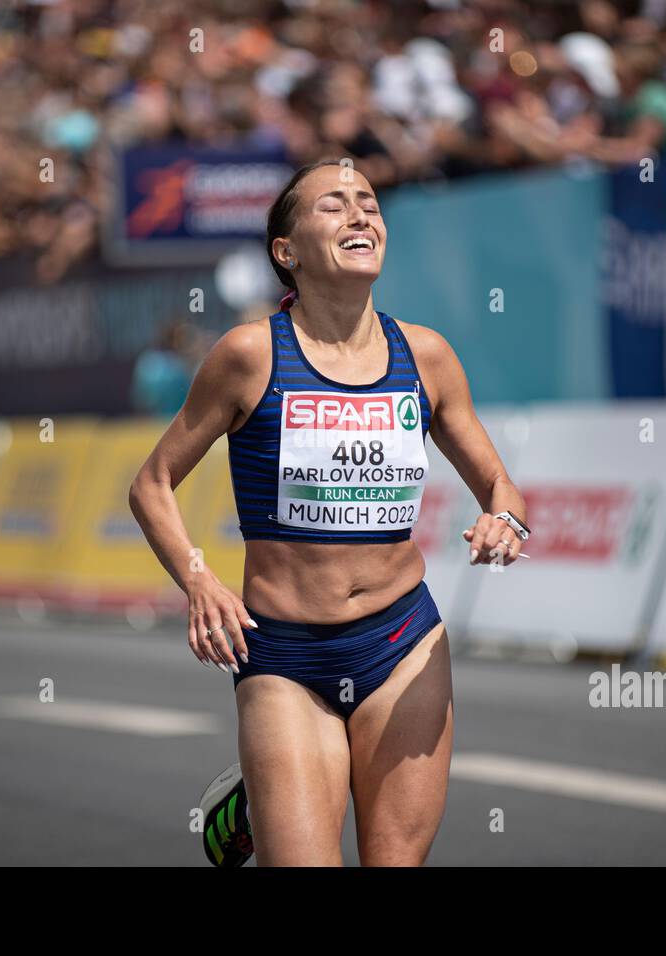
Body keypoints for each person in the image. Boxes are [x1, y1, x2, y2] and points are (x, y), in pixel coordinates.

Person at [128, 159, 530, 866]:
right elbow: (153, 483)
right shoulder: (250, 355)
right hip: (285, 654)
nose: (360, 216)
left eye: (369, 204)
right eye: (333, 206)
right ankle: (260, 793)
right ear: (287, 252)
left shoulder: (426, 356)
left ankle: (268, 792)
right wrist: (199, 579)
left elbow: (500, 484)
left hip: (402, 643)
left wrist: (507, 522)